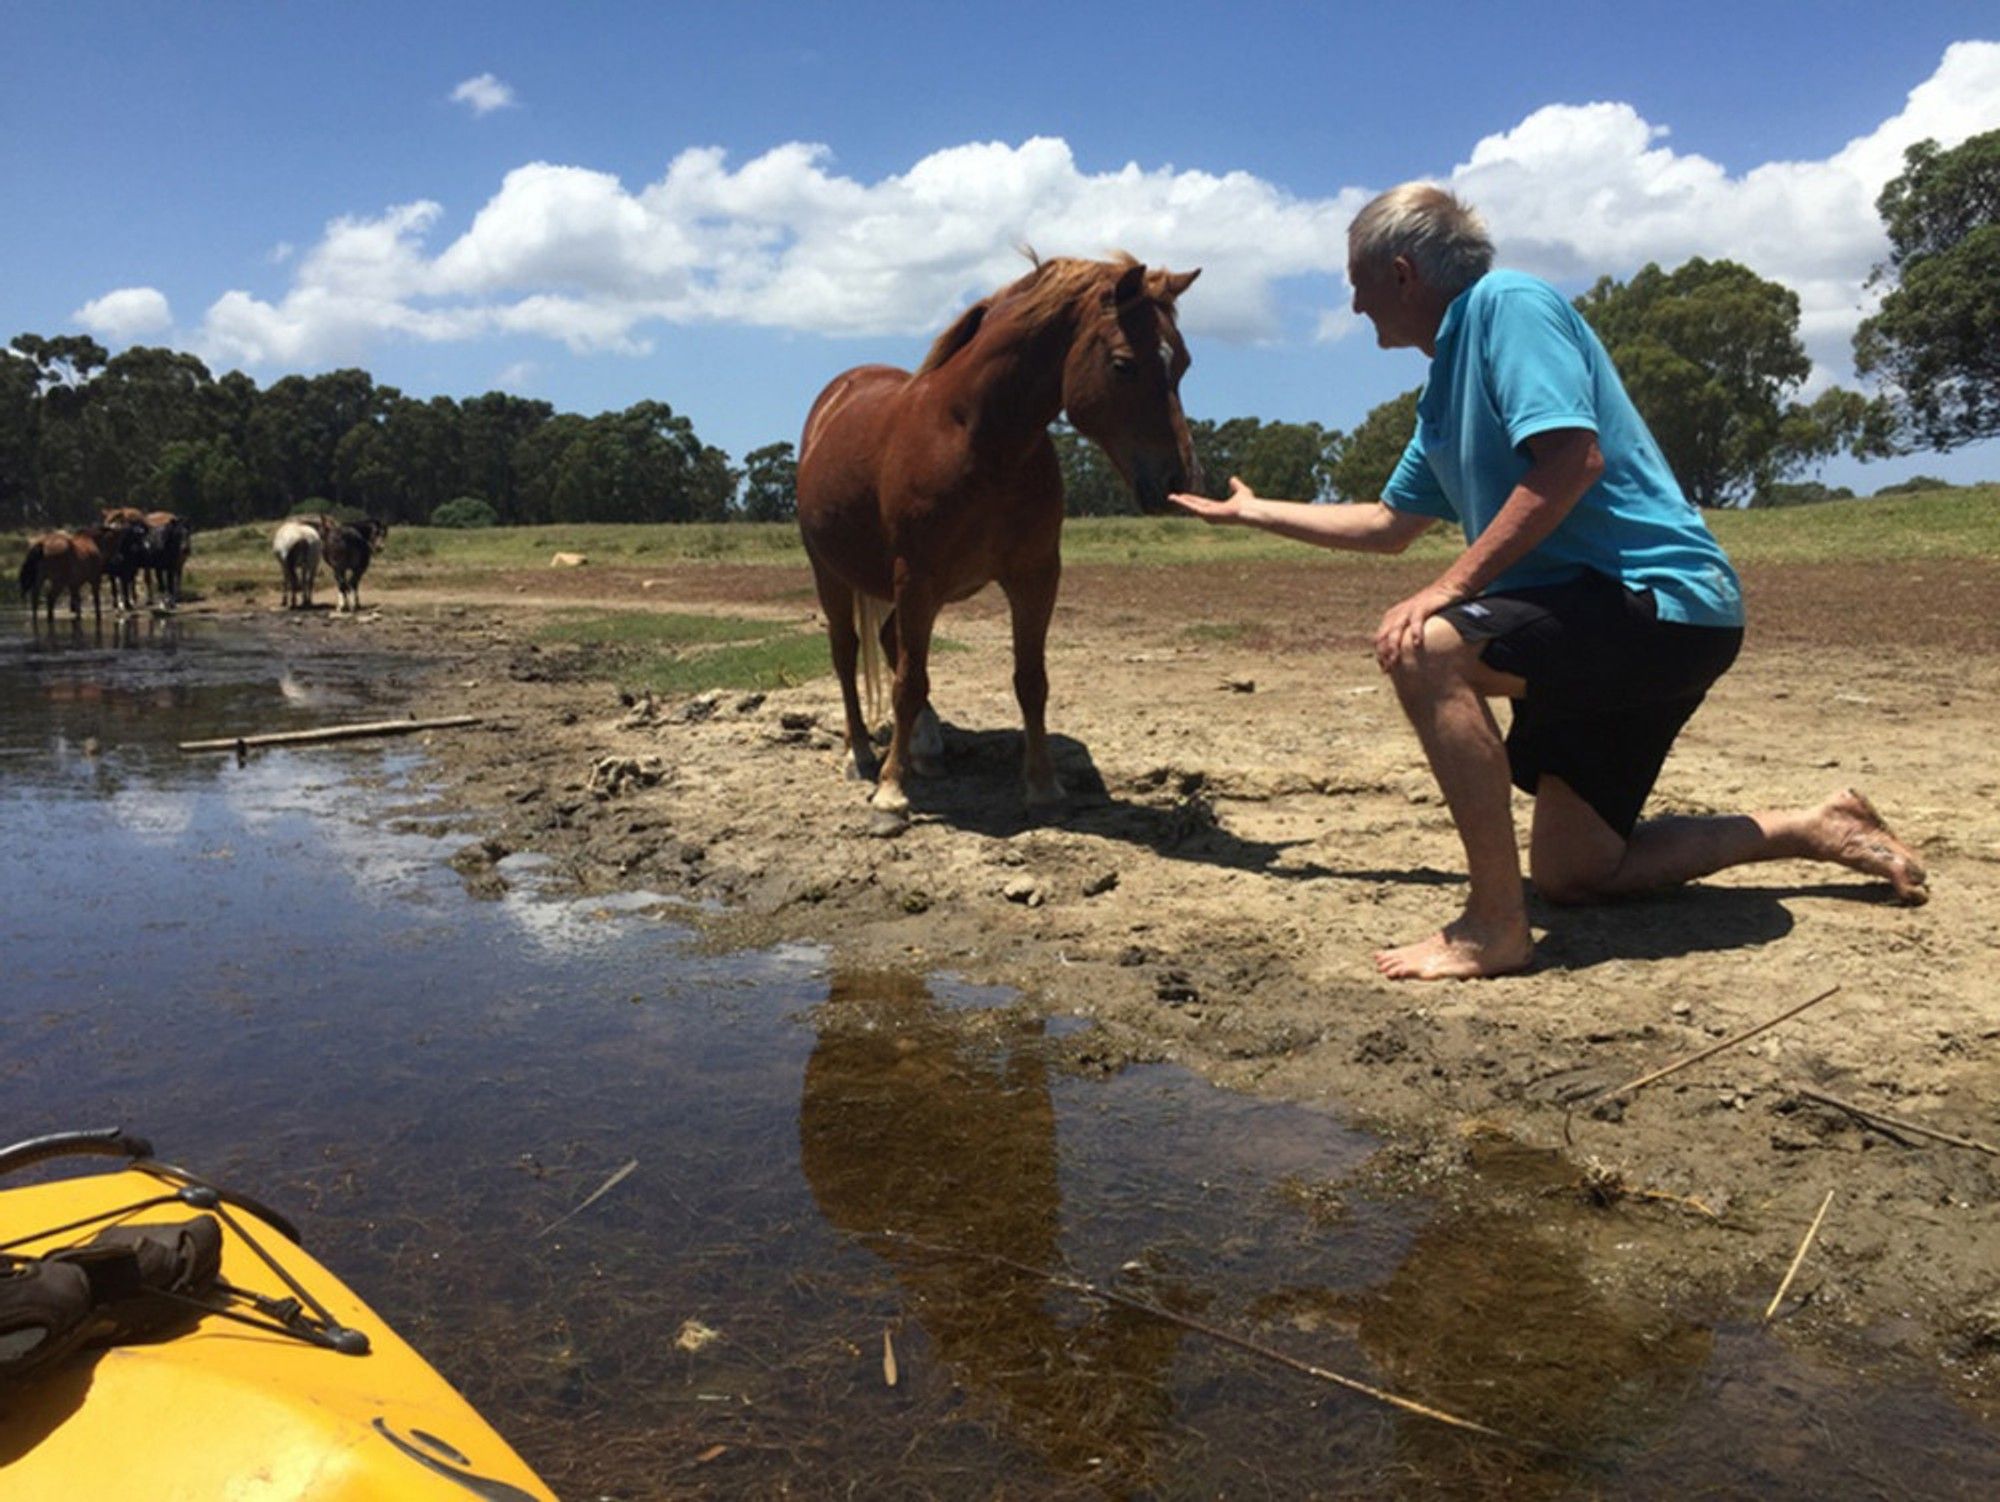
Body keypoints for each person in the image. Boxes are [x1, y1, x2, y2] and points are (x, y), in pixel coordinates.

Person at [1169, 182, 1928, 981]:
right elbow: (1388, 526)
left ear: (1401, 274)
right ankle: (1813, 827)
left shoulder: (1509, 306)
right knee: (1576, 874)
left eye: (1355, 284)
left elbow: (1570, 460)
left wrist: (1447, 590)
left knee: (1427, 649)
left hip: (1655, 603)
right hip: (1601, 620)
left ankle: (1496, 926)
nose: (1353, 308)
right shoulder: (1443, 391)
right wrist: (1252, 514)